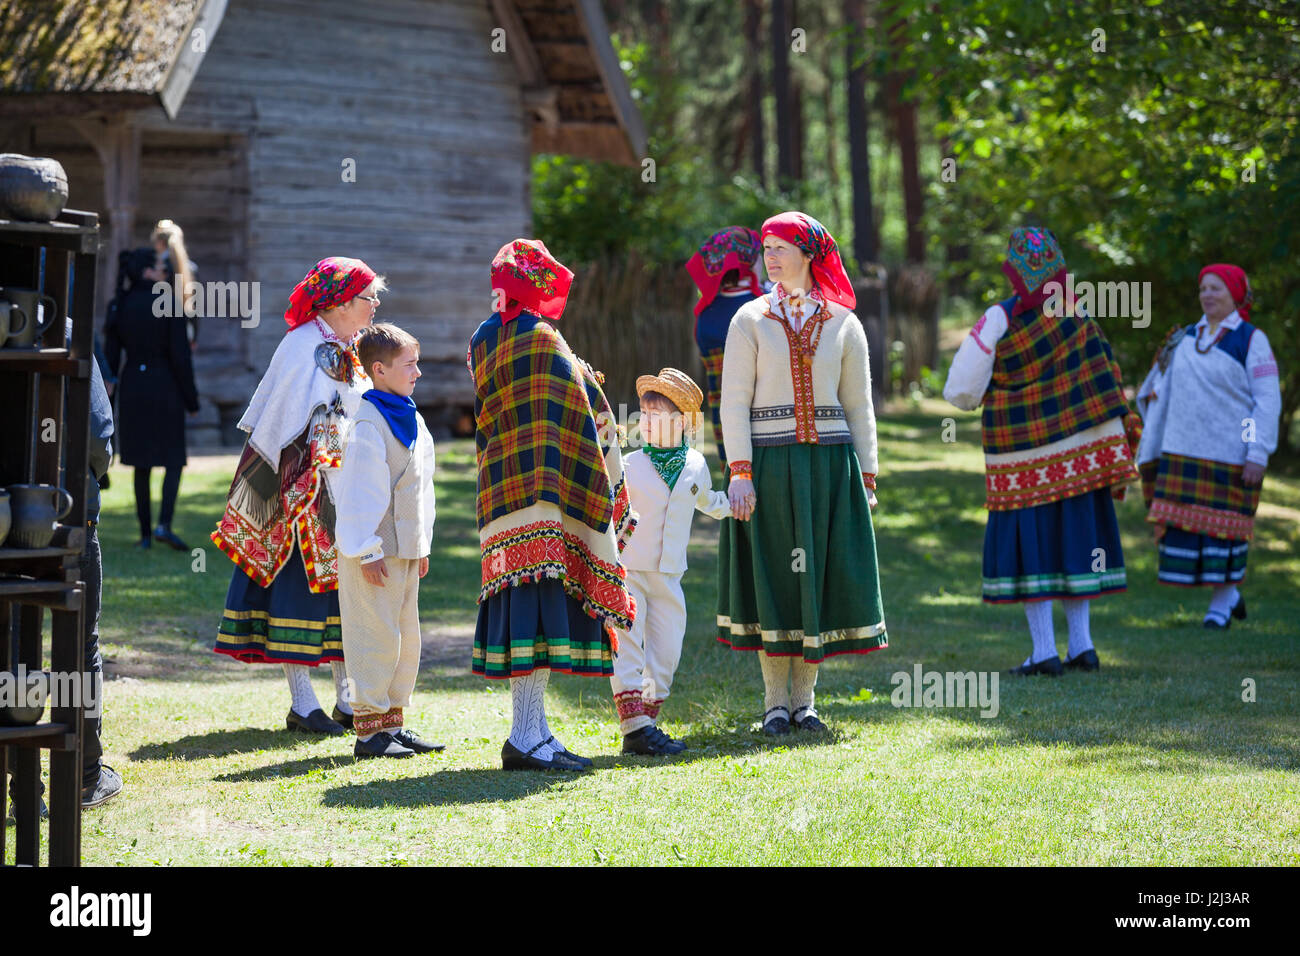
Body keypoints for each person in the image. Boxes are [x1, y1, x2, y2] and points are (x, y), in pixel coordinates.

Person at [468, 238, 638, 771]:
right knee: (537, 613)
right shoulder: (542, 338)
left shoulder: (482, 338)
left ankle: (534, 731)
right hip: (546, 491)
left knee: (528, 612)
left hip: (502, 491)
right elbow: (575, 408)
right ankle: (524, 736)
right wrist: (586, 378)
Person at [718, 211, 887, 736]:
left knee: (815, 577)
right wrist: (740, 471)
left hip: (829, 466)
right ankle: (774, 704)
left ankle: (805, 702)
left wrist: (867, 475)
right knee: (775, 576)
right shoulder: (748, 319)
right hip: (767, 465)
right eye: (765, 248)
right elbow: (732, 403)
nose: (770, 257)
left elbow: (859, 405)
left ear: (809, 255)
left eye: (781, 247)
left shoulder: (844, 323)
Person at [944, 227, 1141, 676]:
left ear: (1013, 271)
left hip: (1022, 460)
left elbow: (960, 391)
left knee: (1034, 550)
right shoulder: (1080, 315)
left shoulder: (1000, 317)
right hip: (1082, 457)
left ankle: (1044, 652)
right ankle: (1084, 647)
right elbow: (1106, 375)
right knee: (1076, 545)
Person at [212, 257, 383, 735]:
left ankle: (348, 703)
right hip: (296, 492)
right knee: (295, 592)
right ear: (341, 302)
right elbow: (284, 419)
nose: (375, 307)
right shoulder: (302, 346)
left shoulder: (349, 347)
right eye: (369, 298)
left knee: (342, 595)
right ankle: (302, 703)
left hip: (341, 489)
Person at [1134, 263, 1281, 628]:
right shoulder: (1184, 338)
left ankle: (1219, 608)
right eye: (1203, 289)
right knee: (1187, 532)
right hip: (1182, 453)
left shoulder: (1250, 340)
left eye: (1216, 288)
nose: (1208, 295)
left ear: (1235, 294)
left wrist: (1256, 451)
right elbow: (1158, 387)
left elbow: (1265, 402)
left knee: (1226, 534)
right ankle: (1230, 598)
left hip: (1231, 456)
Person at [332, 323, 441, 759]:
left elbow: (421, 486)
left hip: (405, 550)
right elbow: (359, 492)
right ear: (378, 370)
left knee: (403, 637)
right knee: (371, 635)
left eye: (417, 363)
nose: (418, 372)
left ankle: (392, 722)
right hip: (372, 552)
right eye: (409, 364)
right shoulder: (367, 421)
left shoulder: (411, 415)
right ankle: (368, 731)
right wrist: (365, 549)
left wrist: (422, 542)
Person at [612, 368, 729, 755]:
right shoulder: (629, 465)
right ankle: (634, 725)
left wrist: (738, 504)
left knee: (667, 649)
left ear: (681, 422)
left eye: (654, 416)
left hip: (669, 574)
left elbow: (709, 501)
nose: (644, 423)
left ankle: (646, 720)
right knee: (627, 643)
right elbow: (610, 504)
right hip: (629, 570)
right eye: (641, 415)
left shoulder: (696, 464)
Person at [103, 247, 200, 551]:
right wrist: (192, 400)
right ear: (147, 271)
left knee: (140, 463)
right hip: (165, 386)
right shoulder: (168, 303)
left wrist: (110, 398)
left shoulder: (119, 305)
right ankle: (164, 525)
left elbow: (109, 358)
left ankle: (145, 534)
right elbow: (181, 358)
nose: (165, 271)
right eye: (160, 267)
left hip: (133, 385)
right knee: (172, 459)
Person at [686, 226, 763, 469]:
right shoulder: (763, 306)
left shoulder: (705, 314)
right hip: (765, 416)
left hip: (726, 420)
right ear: (747, 262)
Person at [152, 219, 199, 348]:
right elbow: (194, 307)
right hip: (184, 329)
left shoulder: (156, 269)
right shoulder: (191, 268)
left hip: (161, 329)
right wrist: (194, 336)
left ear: (160, 243)